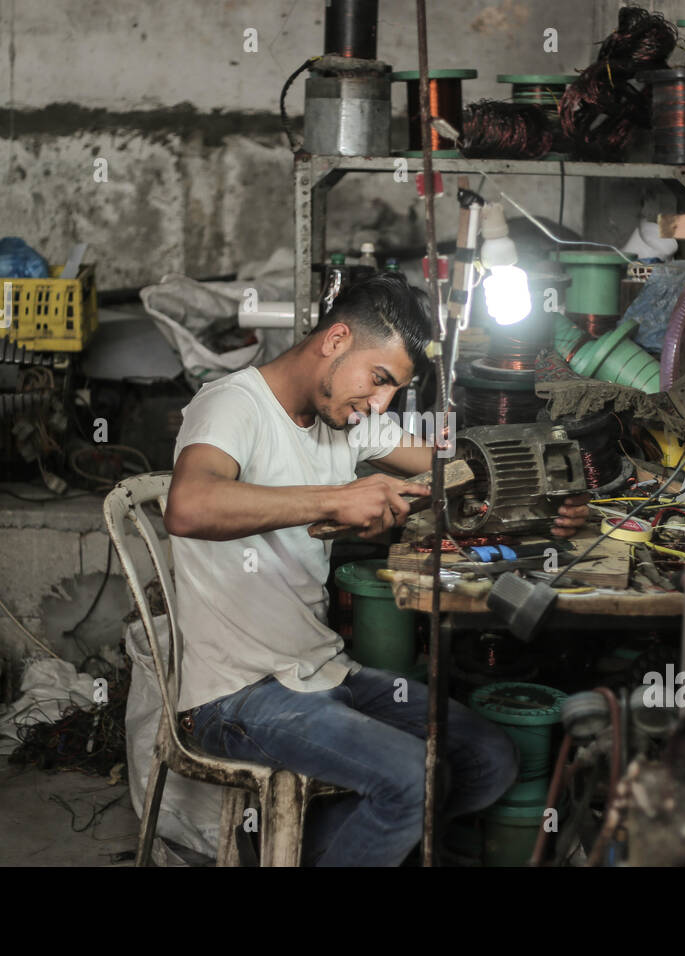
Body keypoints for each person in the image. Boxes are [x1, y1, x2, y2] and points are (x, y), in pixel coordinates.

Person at [163, 272, 589, 865]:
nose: (380, 403)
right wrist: (335, 498)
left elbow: (457, 466)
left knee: (488, 758)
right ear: (336, 340)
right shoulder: (234, 404)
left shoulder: (345, 416)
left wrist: (549, 492)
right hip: (234, 694)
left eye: (392, 390)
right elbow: (188, 506)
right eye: (379, 379)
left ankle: (300, 847)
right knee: (411, 780)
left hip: (320, 671)